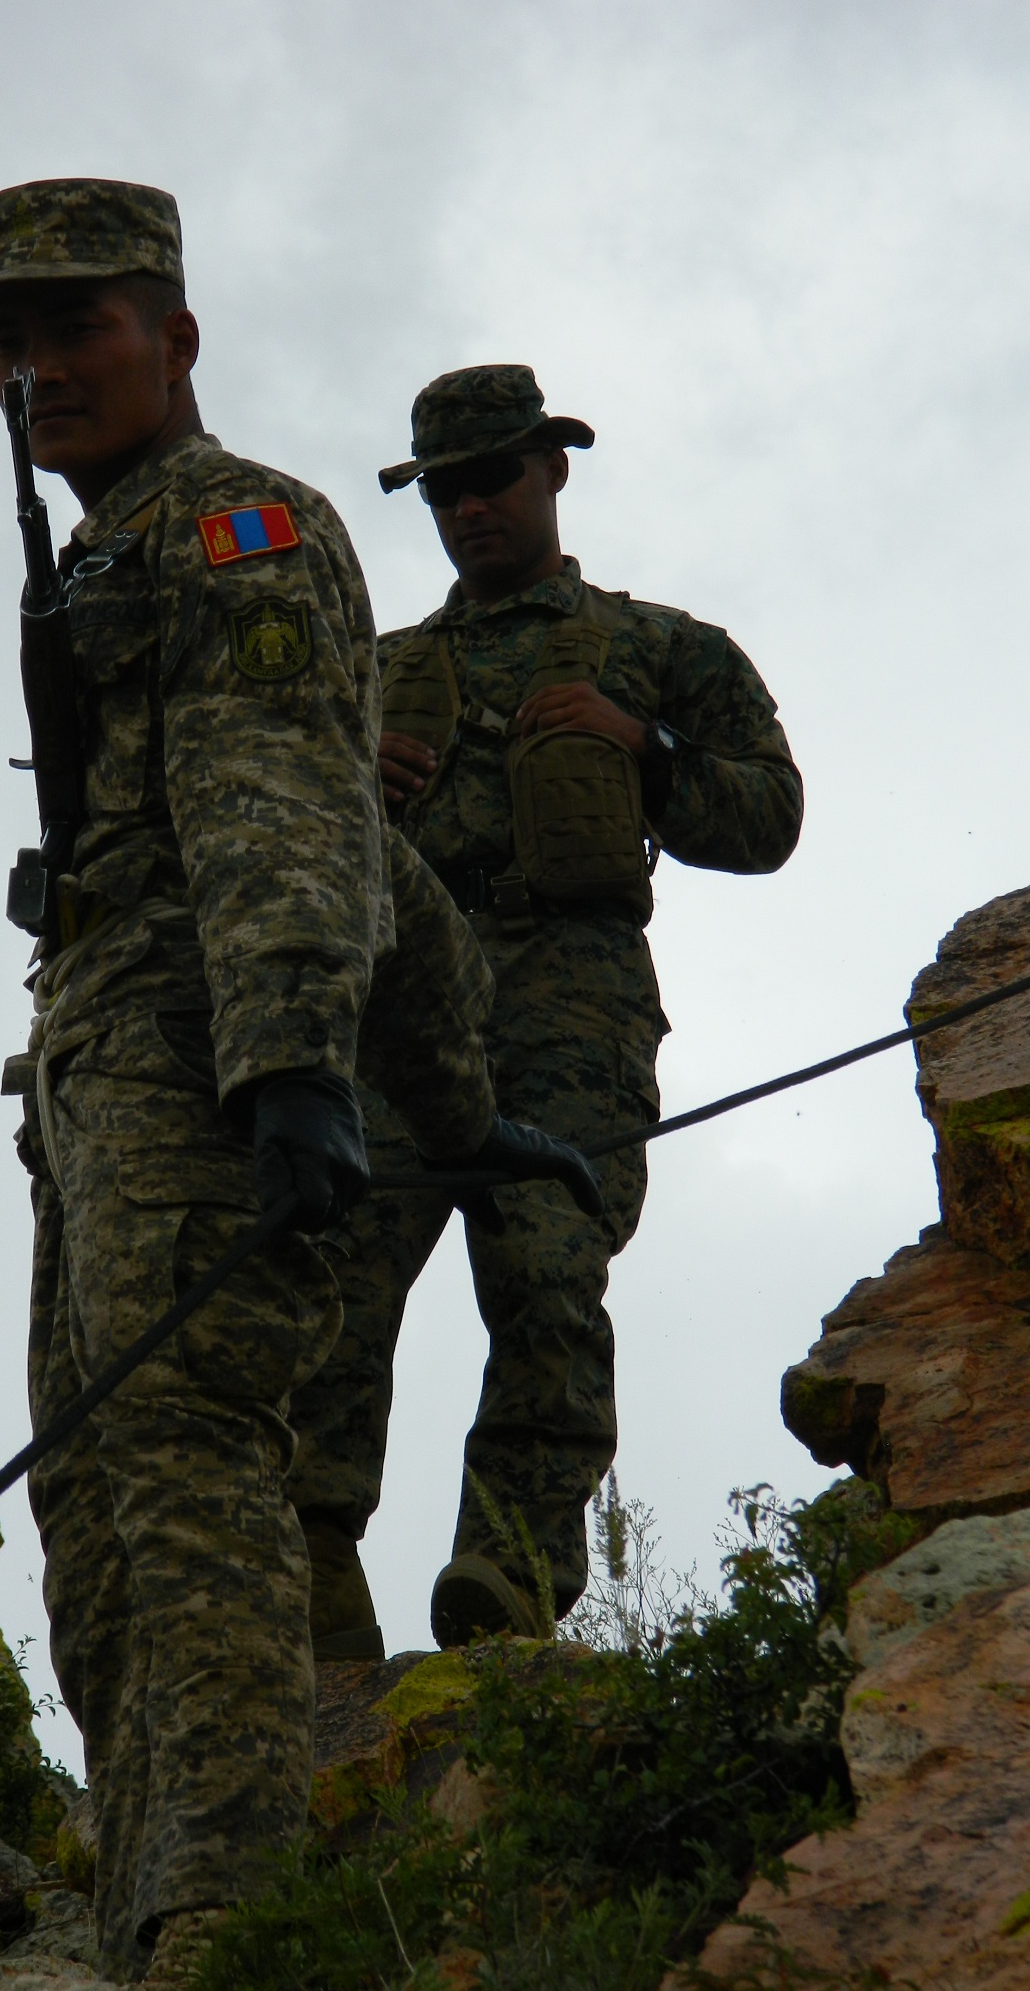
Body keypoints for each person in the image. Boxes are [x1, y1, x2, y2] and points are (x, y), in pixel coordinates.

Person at [0, 191, 594, 1983]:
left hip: (192, 1060)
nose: (36, 368)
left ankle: (230, 1926)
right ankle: (146, 1896)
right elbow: (383, 852)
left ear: (177, 338)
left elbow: (286, 812)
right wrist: (456, 1100)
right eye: (8, 338)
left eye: (78, 328)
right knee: (93, 1496)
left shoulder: (238, 529)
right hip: (95, 1070)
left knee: (193, 1472)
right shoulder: (104, 549)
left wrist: (300, 1064)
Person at [288, 364, 804, 1654]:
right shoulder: (373, 669)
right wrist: (353, 788)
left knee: (548, 1269)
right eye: (443, 492)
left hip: (573, 996)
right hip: (400, 995)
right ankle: (309, 1568)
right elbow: (267, 836)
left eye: (491, 480)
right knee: (332, 1269)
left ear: (552, 470)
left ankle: (508, 1574)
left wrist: (647, 748)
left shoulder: (659, 651)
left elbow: (770, 817)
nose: (468, 509)